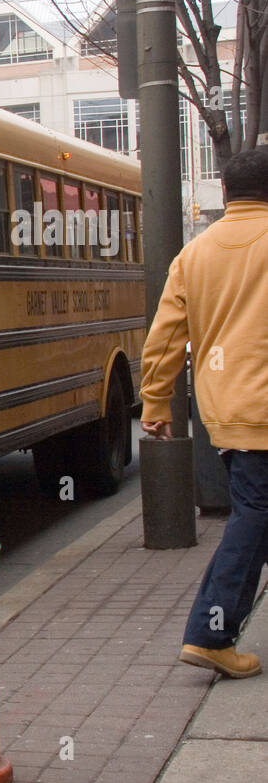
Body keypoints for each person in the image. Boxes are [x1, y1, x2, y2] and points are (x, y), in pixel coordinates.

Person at [140, 146, 268, 680]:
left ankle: (212, 631)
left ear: (224, 193)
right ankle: (209, 634)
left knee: (256, 514)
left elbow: (166, 335)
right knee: (254, 518)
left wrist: (154, 399)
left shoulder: (195, 255)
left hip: (228, 411)